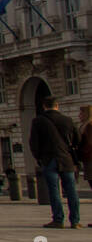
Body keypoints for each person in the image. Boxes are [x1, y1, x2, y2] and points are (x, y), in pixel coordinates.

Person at [29, 95, 81, 228]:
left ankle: (58, 219)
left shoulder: (38, 121)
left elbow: (34, 143)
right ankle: (75, 221)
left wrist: (39, 158)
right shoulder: (68, 120)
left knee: (54, 190)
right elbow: (77, 140)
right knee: (71, 190)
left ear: (44, 106)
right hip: (66, 159)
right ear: (57, 106)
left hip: (49, 159)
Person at [78, 105, 92, 185]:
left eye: (81, 113)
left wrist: (80, 153)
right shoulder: (84, 126)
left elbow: (89, 144)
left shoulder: (89, 126)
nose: (79, 115)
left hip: (89, 159)